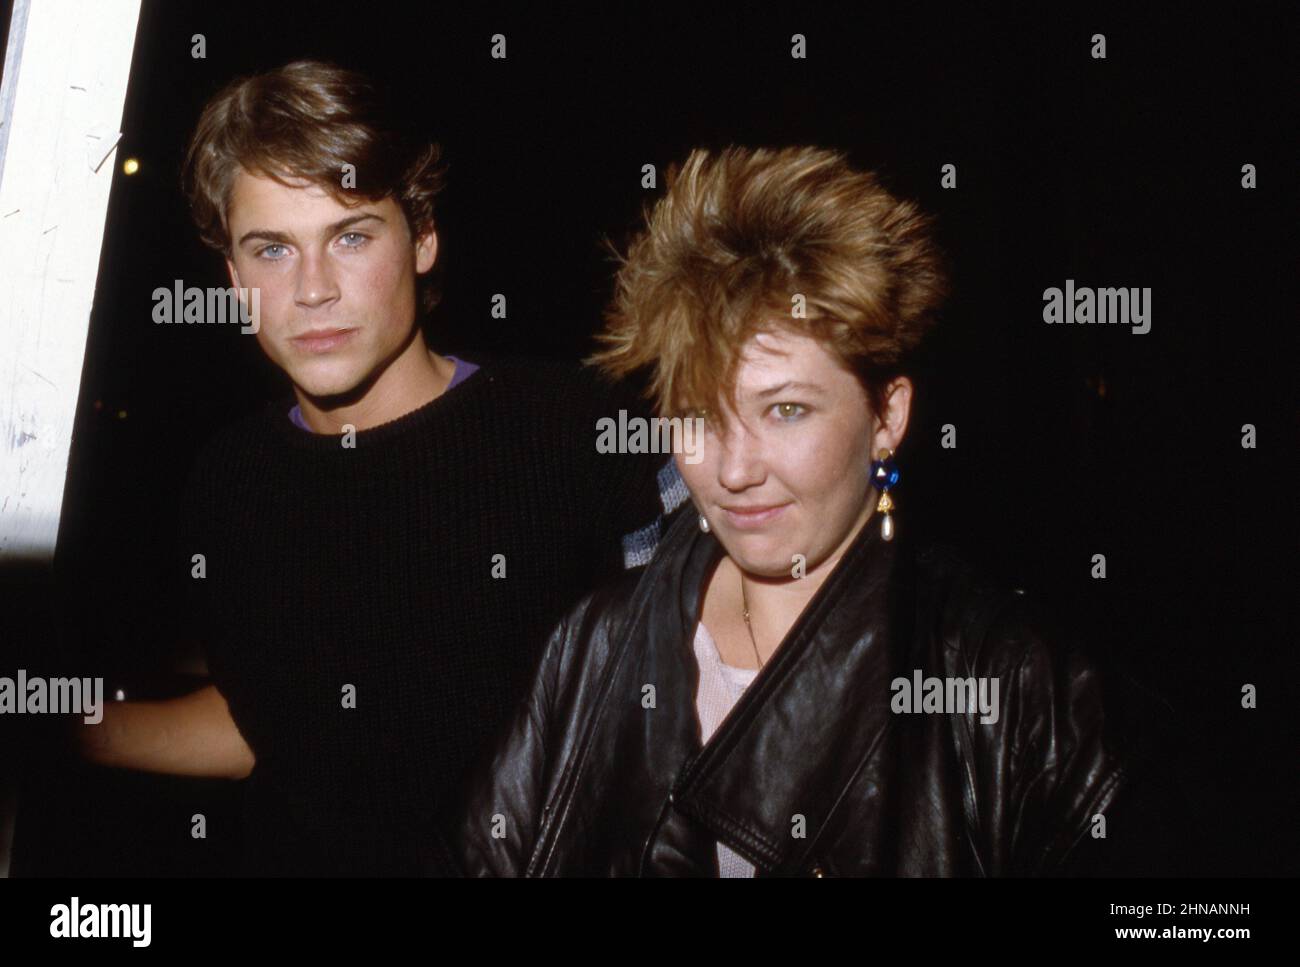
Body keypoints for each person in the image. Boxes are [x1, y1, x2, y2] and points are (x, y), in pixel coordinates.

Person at [431, 145, 1156, 877]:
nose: (736, 470)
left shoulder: (1021, 691)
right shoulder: (591, 648)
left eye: (785, 410)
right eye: (697, 418)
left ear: (887, 414)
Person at [76, 60, 685, 876]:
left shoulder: (579, 431)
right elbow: (271, 726)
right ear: (231, 276)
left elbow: (715, 696)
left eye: (351, 235)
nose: (313, 289)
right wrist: (52, 720)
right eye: (271, 249)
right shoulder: (230, 482)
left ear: (424, 238)